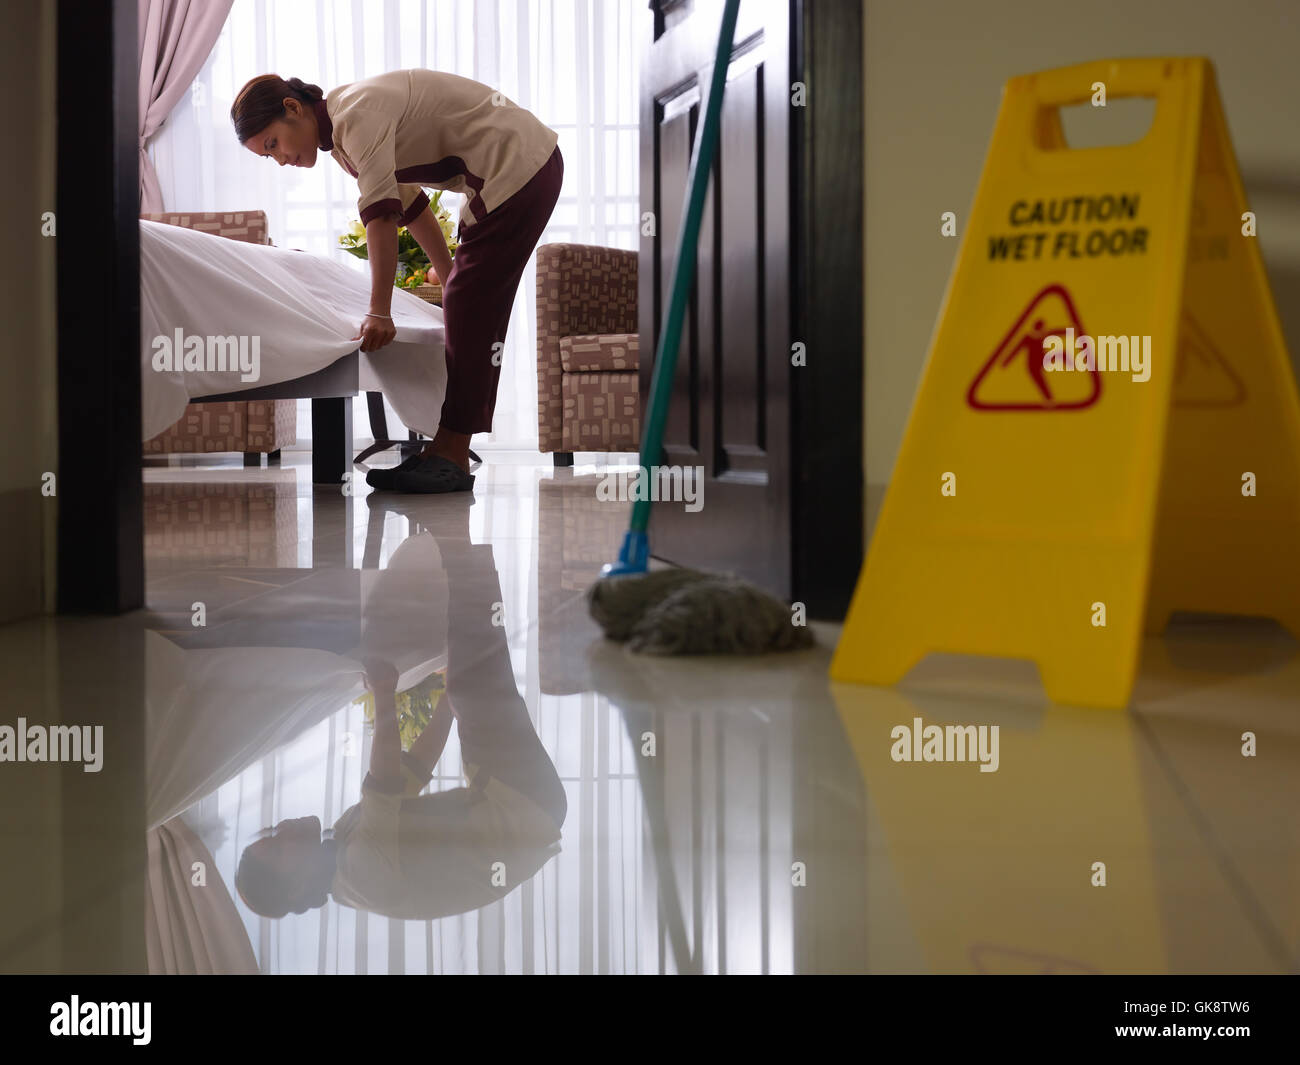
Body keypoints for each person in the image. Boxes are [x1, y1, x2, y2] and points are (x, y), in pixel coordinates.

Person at [231, 70, 564, 493]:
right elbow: (413, 208)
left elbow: (382, 218)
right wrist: (449, 280)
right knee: (469, 304)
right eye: (268, 155)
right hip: (518, 170)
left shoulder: (355, 115)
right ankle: (448, 450)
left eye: (273, 143)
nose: (280, 159)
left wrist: (379, 311)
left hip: (519, 165)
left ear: (292, 108)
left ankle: (452, 455)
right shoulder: (345, 137)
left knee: (474, 310)